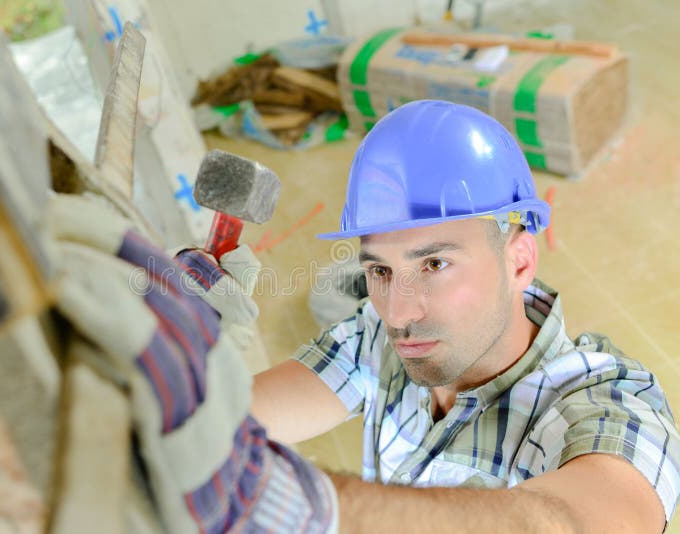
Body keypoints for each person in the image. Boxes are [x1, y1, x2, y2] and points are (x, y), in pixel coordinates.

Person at [251, 100, 680, 532]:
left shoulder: (613, 405)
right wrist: (186, 343)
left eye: (434, 264)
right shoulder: (374, 336)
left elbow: (579, 523)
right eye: (380, 270)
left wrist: (312, 506)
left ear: (519, 263)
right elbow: (229, 421)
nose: (398, 314)